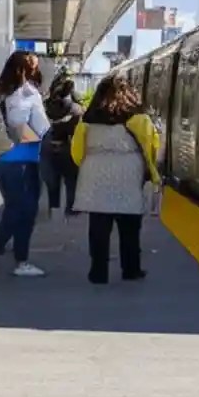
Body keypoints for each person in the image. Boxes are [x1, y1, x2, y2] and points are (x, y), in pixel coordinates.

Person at [70, 75, 160, 284]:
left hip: (95, 172)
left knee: (98, 227)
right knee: (129, 226)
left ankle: (98, 272)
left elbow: (76, 151)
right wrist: (151, 171)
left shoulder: (87, 119)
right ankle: (131, 269)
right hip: (128, 172)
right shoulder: (138, 118)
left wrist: (89, 164)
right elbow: (152, 146)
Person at [0, 51, 50, 278]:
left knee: (15, 209)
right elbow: (41, 128)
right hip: (25, 161)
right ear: (26, 70)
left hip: (3, 161)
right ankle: (9, 260)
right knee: (23, 212)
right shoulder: (29, 94)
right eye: (35, 67)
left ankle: (3, 259)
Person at [40, 73, 82, 218]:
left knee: (52, 180)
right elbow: (78, 132)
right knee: (71, 180)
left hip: (47, 147)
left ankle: (54, 206)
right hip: (68, 147)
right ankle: (71, 208)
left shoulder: (44, 106)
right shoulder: (76, 109)